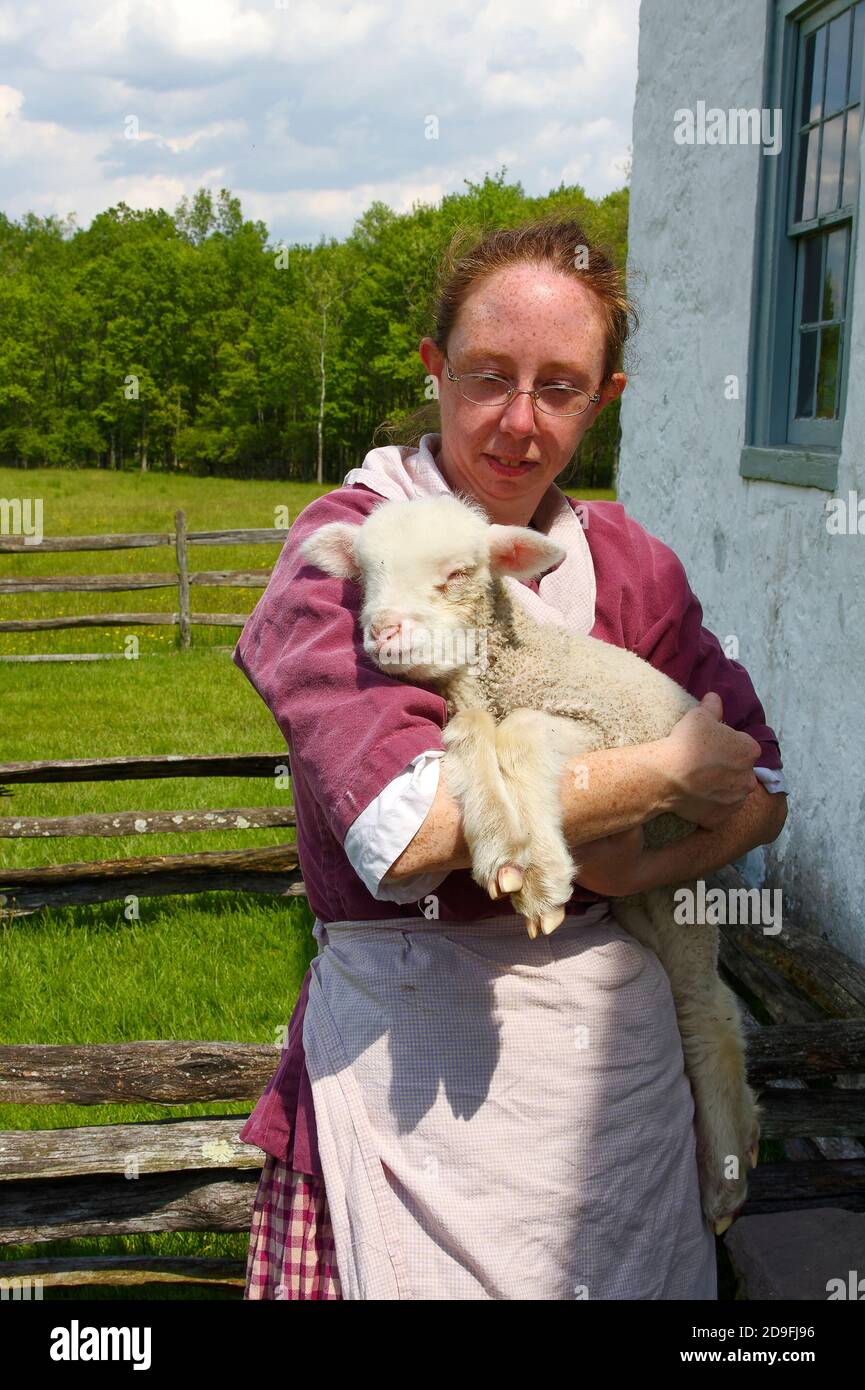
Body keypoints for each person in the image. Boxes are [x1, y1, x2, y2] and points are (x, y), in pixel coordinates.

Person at [233, 218, 788, 1301]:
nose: (519, 424)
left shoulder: (629, 568)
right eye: (490, 376)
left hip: (609, 1103)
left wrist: (634, 868)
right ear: (435, 368)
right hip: (407, 1062)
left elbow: (760, 785)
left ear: (604, 396)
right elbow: (409, 833)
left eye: (561, 387)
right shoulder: (351, 553)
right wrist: (659, 778)